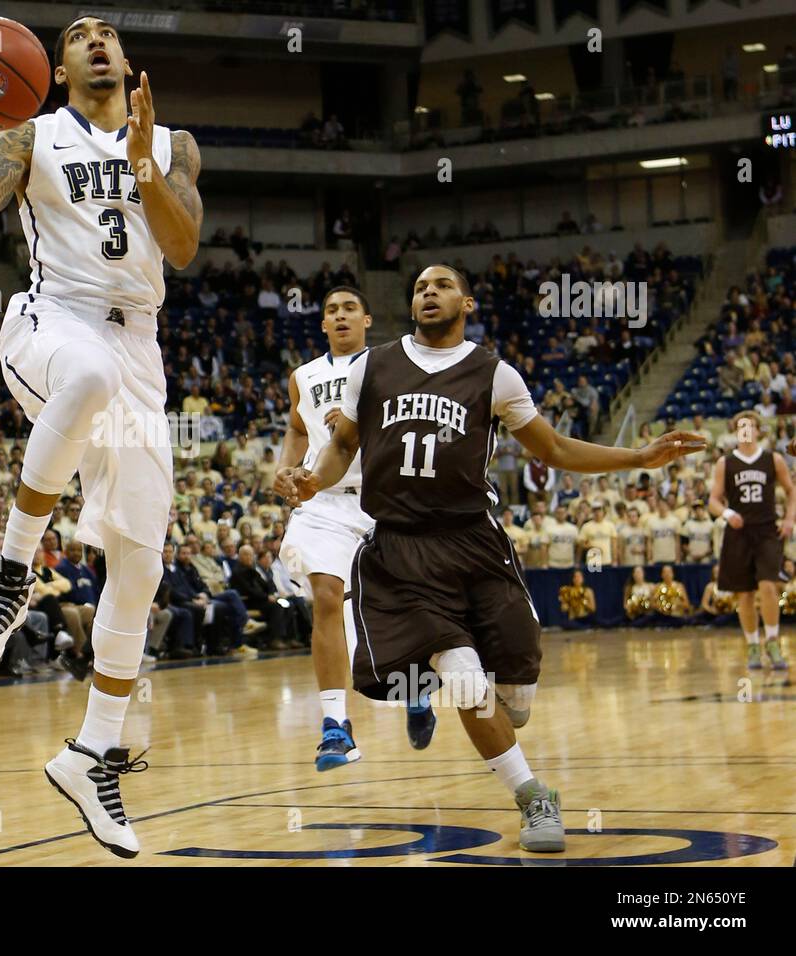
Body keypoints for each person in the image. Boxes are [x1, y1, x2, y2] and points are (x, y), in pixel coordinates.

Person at [289, 263, 704, 853]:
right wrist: (312, 480)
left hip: (475, 543)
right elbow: (342, 446)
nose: (428, 293)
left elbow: (553, 448)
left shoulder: (495, 374)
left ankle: (501, 709)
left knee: (515, 692)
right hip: (403, 549)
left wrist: (636, 457)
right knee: (462, 679)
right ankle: (533, 796)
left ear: (468, 303)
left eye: (442, 286)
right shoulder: (371, 366)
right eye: (420, 287)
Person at [0, 15, 203, 858]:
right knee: (88, 377)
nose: (97, 40)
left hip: (139, 346)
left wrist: (143, 162)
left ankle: (91, 754)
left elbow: (182, 246)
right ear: (59, 67)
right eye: (79, 35)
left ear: (125, 58)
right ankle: (9, 575)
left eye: (108, 32)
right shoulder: (30, 135)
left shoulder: (174, 144)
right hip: (52, 321)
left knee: (141, 564)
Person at [275, 285, 434, 771]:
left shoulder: (394, 365)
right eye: (331, 311)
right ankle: (335, 727)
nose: (340, 316)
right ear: (323, 323)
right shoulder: (303, 376)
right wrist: (284, 467)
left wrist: (362, 421)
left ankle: (415, 689)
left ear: (367, 320)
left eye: (349, 309)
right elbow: (298, 428)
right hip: (323, 501)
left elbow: (416, 428)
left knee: (400, 611)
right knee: (325, 595)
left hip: (383, 499)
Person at [712, 414, 790, 669]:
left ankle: (773, 642)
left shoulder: (773, 459)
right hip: (739, 532)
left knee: (768, 586)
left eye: (750, 426)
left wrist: (789, 519)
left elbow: (792, 490)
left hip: (766, 530)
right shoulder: (725, 463)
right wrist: (727, 513)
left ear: (758, 431)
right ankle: (753, 645)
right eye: (741, 427)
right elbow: (713, 500)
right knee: (744, 594)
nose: (746, 430)